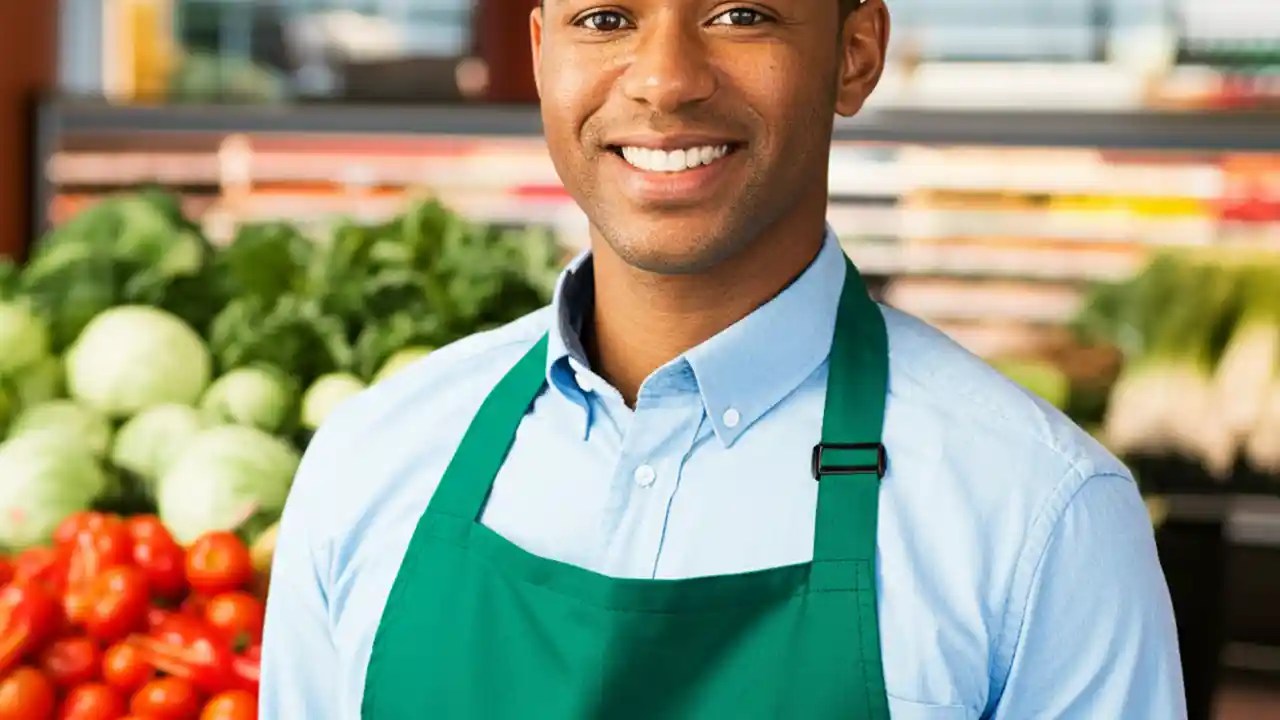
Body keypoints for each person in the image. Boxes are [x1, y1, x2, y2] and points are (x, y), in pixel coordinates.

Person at [260, 0, 1187, 717]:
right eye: (606, 18)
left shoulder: (1041, 518)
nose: (665, 80)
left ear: (855, 53)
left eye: (741, 14)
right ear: (542, 52)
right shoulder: (373, 461)